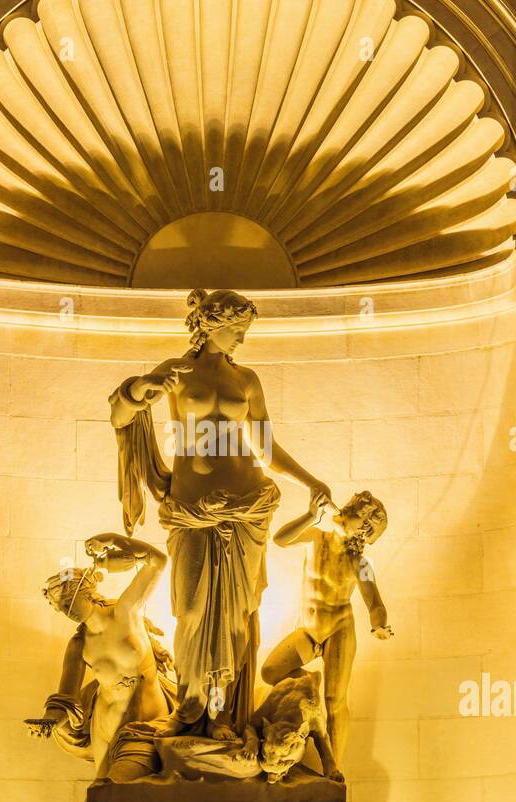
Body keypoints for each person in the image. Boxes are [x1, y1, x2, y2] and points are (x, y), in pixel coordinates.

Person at [109, 288, 331, 735]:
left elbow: (266, 449)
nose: (241, 341)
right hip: (191, 510)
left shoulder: (246, 379)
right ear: (212, 325)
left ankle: (223, 715)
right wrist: (140, 391)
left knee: (234, 618)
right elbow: (119, 413)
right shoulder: (175, 372)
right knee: (190, 609)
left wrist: (310, 481)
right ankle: (189, 710)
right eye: (237, 331)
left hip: (247, 508)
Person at [30, 532, 179, 781]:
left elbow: (158, 561)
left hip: (143, 720)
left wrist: (113, 540)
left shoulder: (125, 612)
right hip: (103, 726)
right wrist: (49, 721)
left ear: (86, 592)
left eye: (68, 602)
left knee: (119, 792)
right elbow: (66, 696)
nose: (67, 611)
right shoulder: (78, 643)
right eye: (61, 607)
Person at [261, 489, 393, 768]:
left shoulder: (361, 563)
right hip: (310, 630)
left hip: (339, 629)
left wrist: (379, 625)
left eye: (357, 509)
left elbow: (375, 602)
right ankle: (310, 681)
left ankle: (335, 767)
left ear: (364, 528)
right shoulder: (316, 537)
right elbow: (281, 539)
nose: (347, 508)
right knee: (270, 672)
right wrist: (311, 515)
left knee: (334, 701)